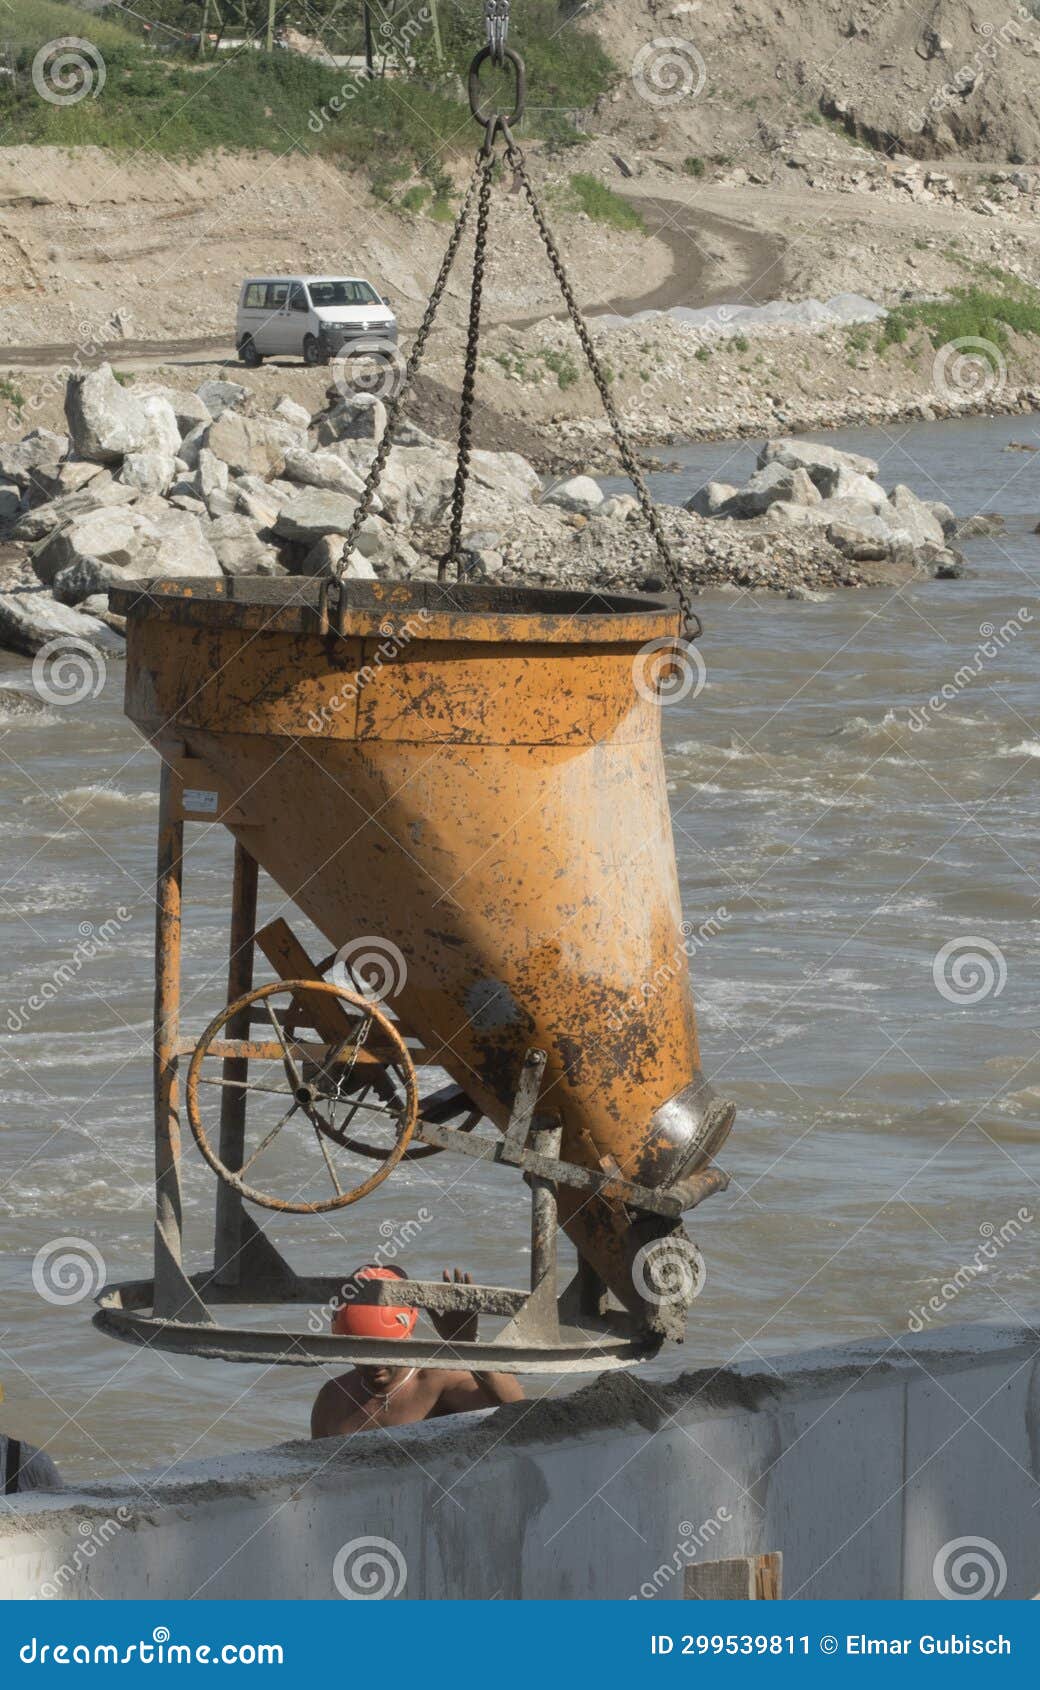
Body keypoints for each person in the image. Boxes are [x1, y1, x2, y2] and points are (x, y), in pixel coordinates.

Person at [310, 1264, 524, 1439]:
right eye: (363, 1351)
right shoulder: (332, 1398)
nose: (375, 1363)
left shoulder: (440, 1384)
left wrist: (467, 1346)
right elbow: (316, 1470)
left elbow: (521, 1415)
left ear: (407, 1334)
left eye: (385, 1349)